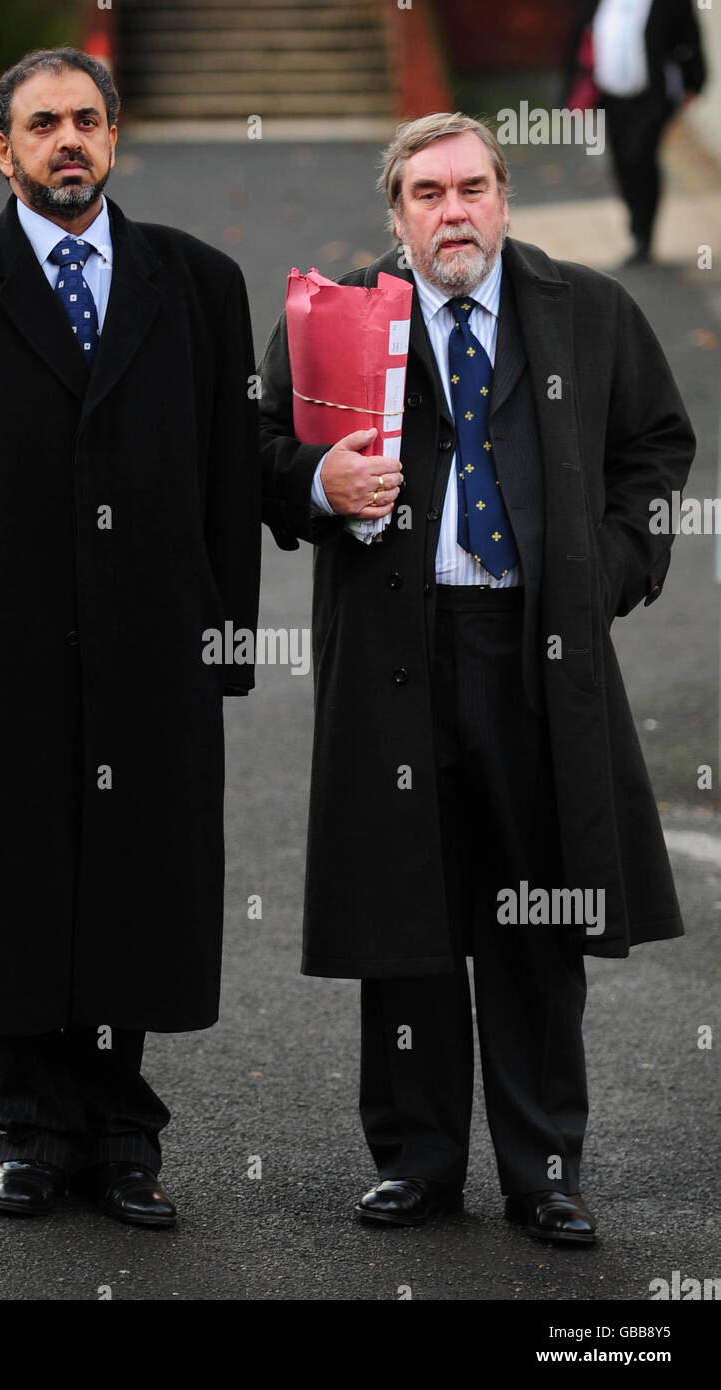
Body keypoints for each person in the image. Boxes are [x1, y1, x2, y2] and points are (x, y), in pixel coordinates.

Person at [259, 112, 695, 1244]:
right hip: (395, 649)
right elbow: (254, 450)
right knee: (404, 910)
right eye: (426, 193)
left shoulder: (585, 311)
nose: (452, 212)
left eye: (472, 189)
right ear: (395, 211)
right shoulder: (335, 313)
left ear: (504, 198)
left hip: (538, 657)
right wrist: (317, 480)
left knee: (533, 909)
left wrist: (602, 572)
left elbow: (655, 448)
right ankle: (415, 1160)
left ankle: (545, 1168)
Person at [0, 47, 261, 1226]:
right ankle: (29, 1129)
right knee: (10, 884)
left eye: (87, 120)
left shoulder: (198, 283)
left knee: (135, 885)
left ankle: (123, 1136)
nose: (68, 141)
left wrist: (226, 643)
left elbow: (227, 483)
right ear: (3, 149)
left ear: (115, 135)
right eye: (43, 125)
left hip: (153, 648)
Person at [565, 0, 706, 265]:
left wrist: (694, 81)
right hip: (612, 99)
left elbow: (689, 38)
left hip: (652, 99)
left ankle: (644, 234)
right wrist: (573, 92)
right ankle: (636, 228)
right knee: (622, 164)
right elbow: (580, 42)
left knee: (639, 156)